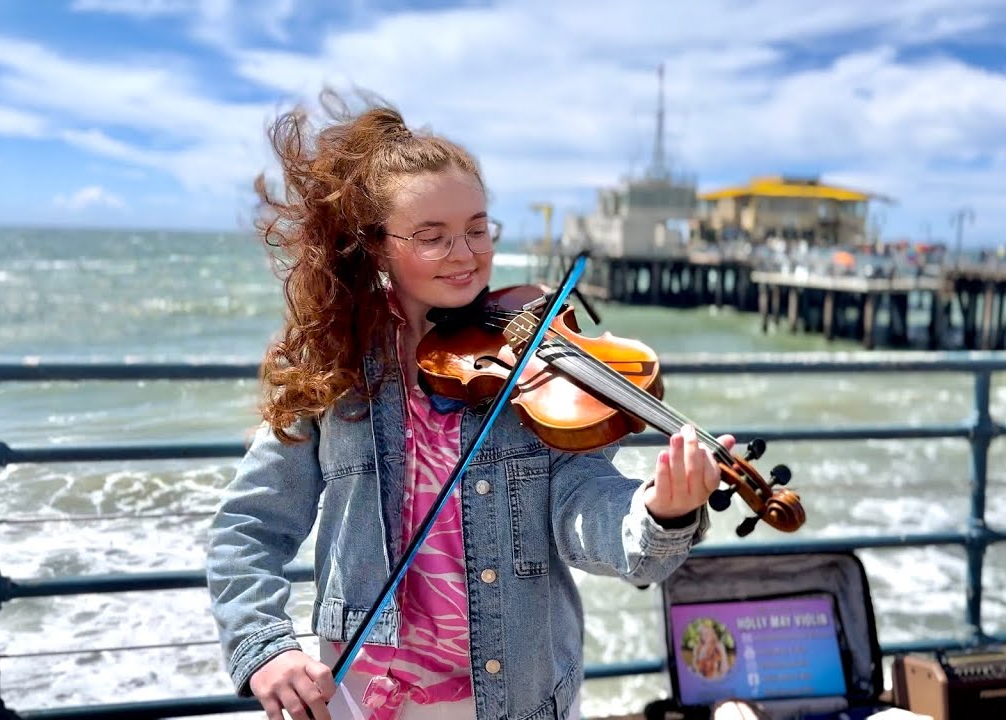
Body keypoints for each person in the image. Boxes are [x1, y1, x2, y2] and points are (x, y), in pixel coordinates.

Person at [204, 89, 733, 720]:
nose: (465, 255)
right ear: (376, 246)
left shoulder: (538, 364)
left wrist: (658, 513)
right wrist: (264, 647)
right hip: (362, 694)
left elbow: (583, 503)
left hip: (512, 695)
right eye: (432, 237)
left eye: (477, 229)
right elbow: (247, 527)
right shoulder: (337, 368)